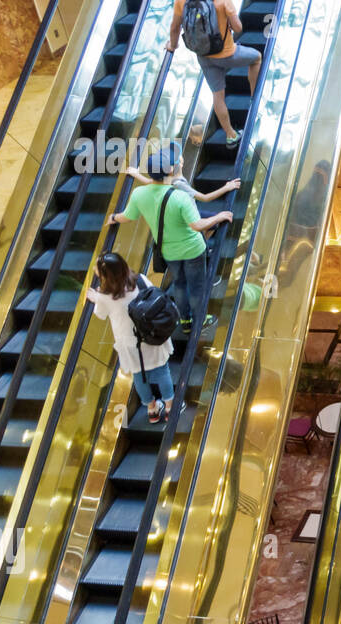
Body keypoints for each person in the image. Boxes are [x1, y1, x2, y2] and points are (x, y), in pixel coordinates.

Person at [107, 149, 233, 334]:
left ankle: (186, 321)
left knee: (180, 284)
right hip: (192, 250)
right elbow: (197, 225)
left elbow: (127, 216)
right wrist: (219, 216)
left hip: (169, 253)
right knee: (197, 287)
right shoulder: (180, 196)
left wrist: (113, 217)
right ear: (170, 171)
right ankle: (201, 319)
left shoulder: (139, 194)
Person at [167, 0, 261, 149]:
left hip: (204, 57)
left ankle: (230, 135)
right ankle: (254, 99)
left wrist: (172, 46)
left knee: (218, 96)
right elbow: (238, 28)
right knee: (256, 58)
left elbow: (175, 27)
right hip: (228, 54)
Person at [85, 252, 174, 423]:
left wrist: (96, 298)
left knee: (139, 376)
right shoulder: (139, 279)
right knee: (162, 371)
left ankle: (152, 410)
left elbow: (101, 314)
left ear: (106, 276)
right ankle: (170, 407)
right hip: (151, 334)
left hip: (130, 344)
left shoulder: (105, 296)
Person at [125, 143, 240, 215]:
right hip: (192, 215)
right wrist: (227, 187)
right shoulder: (178, 184)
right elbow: (205, 198)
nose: (180, 156)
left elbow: (149, 181)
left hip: (184, 212)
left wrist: (136, 174)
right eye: (177, 157)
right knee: (215, 223)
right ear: (178, 164)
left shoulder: (168, 179)